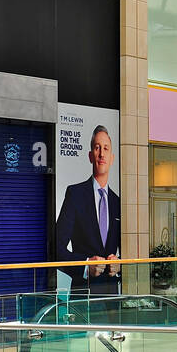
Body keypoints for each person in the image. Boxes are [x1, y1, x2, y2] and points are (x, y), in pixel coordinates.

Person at [55, 125, 121, 293]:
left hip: (111, 297)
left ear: (112, 158)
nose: (101, 153)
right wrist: (85, 267)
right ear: (90, 156)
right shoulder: (75, 194)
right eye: (97, 148)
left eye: (106, 148)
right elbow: (56, 249)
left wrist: (120, 264)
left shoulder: (117, 202)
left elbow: (129, 252)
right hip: (83, 294)